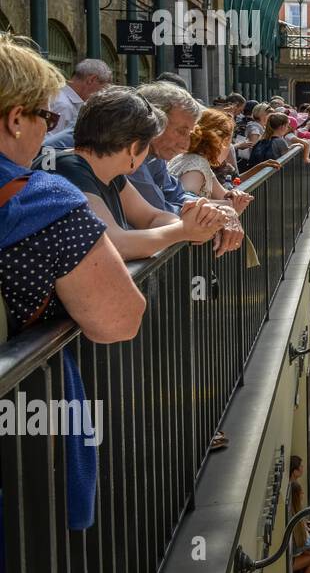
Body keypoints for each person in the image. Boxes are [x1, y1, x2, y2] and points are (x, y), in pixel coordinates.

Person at [0, 35, 145, 352]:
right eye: (46, 118)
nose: (48, 132)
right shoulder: (44, 200)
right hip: (29, 398)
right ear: (15, 121)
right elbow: (121, 318)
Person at [55, 87, 223, 260]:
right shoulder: (70, 169)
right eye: (148, 143)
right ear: (135, 147)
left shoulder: (110, 172)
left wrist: (191, 223)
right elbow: (115, 244)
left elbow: (151, 217)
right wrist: (184, 230)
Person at [127, 82, 245, 256]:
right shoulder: (128, 156)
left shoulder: (154, 157)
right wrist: (210, 215)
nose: (186, 144)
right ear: (151, 121)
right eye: (181, 131)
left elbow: (177, 194)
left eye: (189, 133)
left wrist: (219, 210)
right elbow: (156, 211)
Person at [47, 58, 113, 139]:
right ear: (91, 79)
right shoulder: (63, 105)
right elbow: (49, 144)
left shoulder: (63, 99)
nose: (102, 94)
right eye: (103, 89)